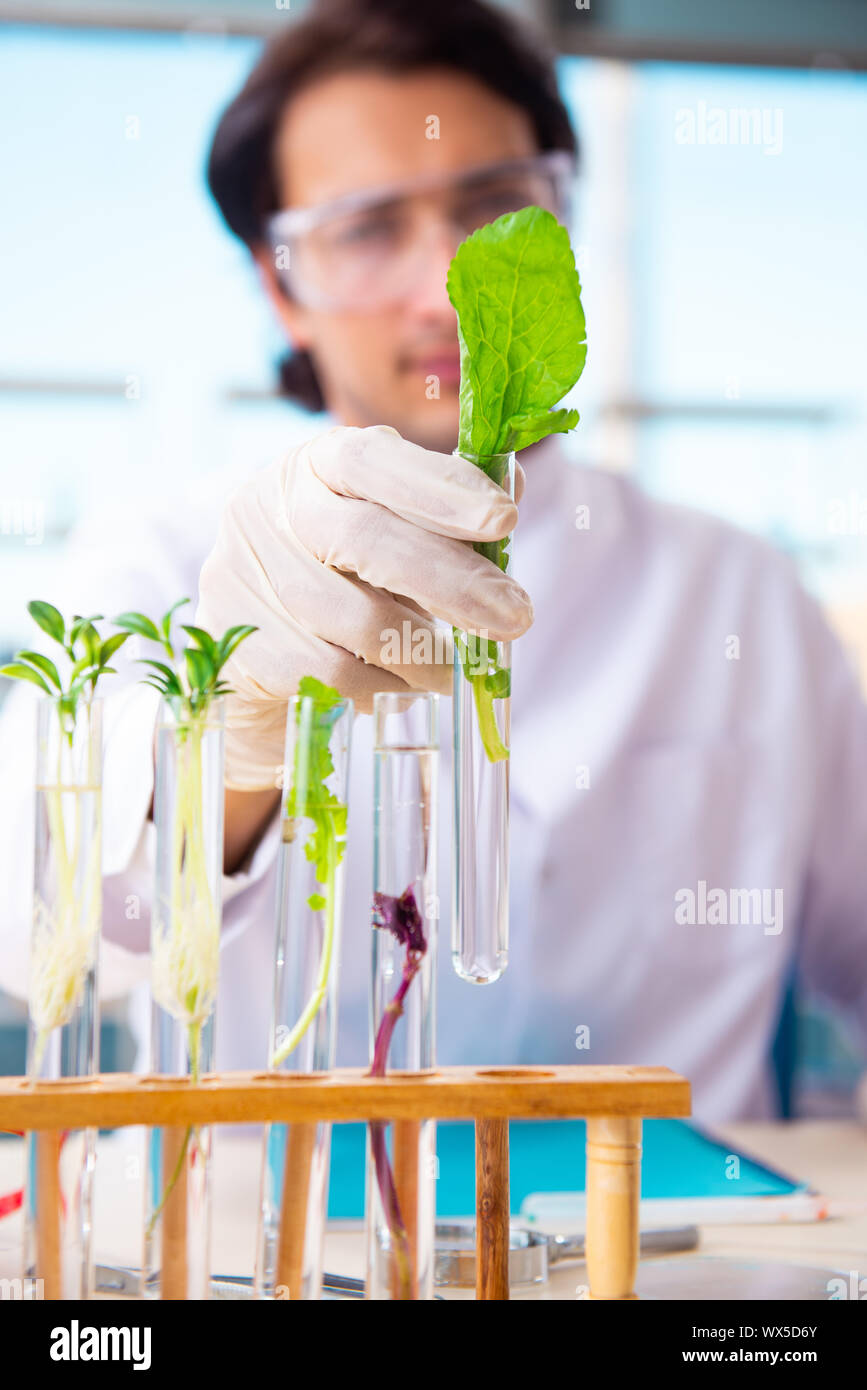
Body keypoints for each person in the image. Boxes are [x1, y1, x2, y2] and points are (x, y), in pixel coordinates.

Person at [1, 0, 866, 1123]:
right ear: (282, 288)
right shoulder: (158, 560)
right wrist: (240, 742)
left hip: (686, 1259)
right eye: (367, 229)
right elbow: (42, 934)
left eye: (494, 206)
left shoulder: (745, 595)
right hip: (304, 1251)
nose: (444, 285)